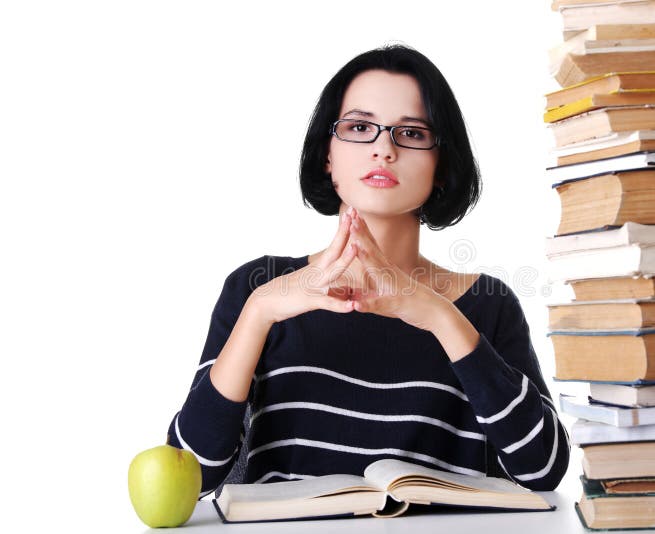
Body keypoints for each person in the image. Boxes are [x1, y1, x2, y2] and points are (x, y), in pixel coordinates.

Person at [167, 44, 570, 499]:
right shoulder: (257, 288)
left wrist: (437, 314)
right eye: (360, 127)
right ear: (327, 155)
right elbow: (194, 474)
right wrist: (260, 310)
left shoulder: (487, 304)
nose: (384, 148)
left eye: (413, 134)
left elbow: (544, 471)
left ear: (442, 166)